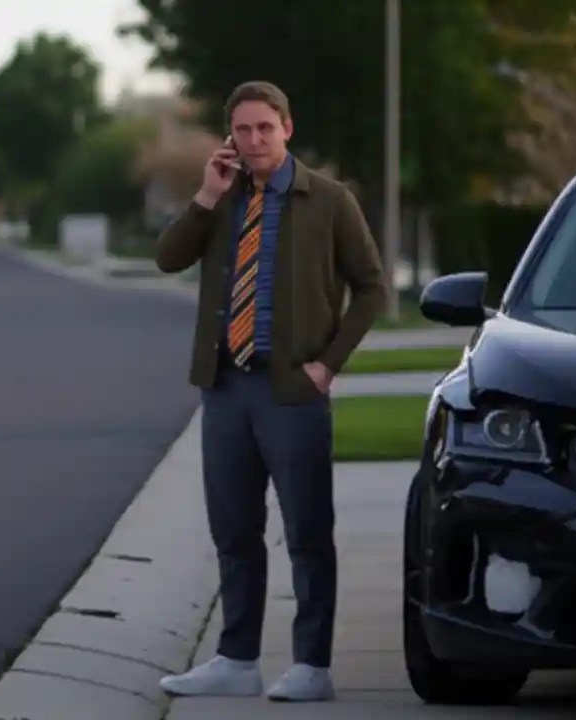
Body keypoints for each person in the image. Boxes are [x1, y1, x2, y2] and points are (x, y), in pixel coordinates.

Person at [154, 81, 385, 702]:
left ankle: (312, 666)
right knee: (233, 530)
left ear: (287, 127)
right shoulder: (222, 198)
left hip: (292, 392)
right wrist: (206, 195)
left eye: (265, 127)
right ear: (229, 136)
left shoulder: (330, 200)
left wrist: (328, 365)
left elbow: (372, 289)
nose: (255, 140)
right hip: (226, 388)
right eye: (243, 130)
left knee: (307, 532)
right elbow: (168, 258)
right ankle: (236, 660)